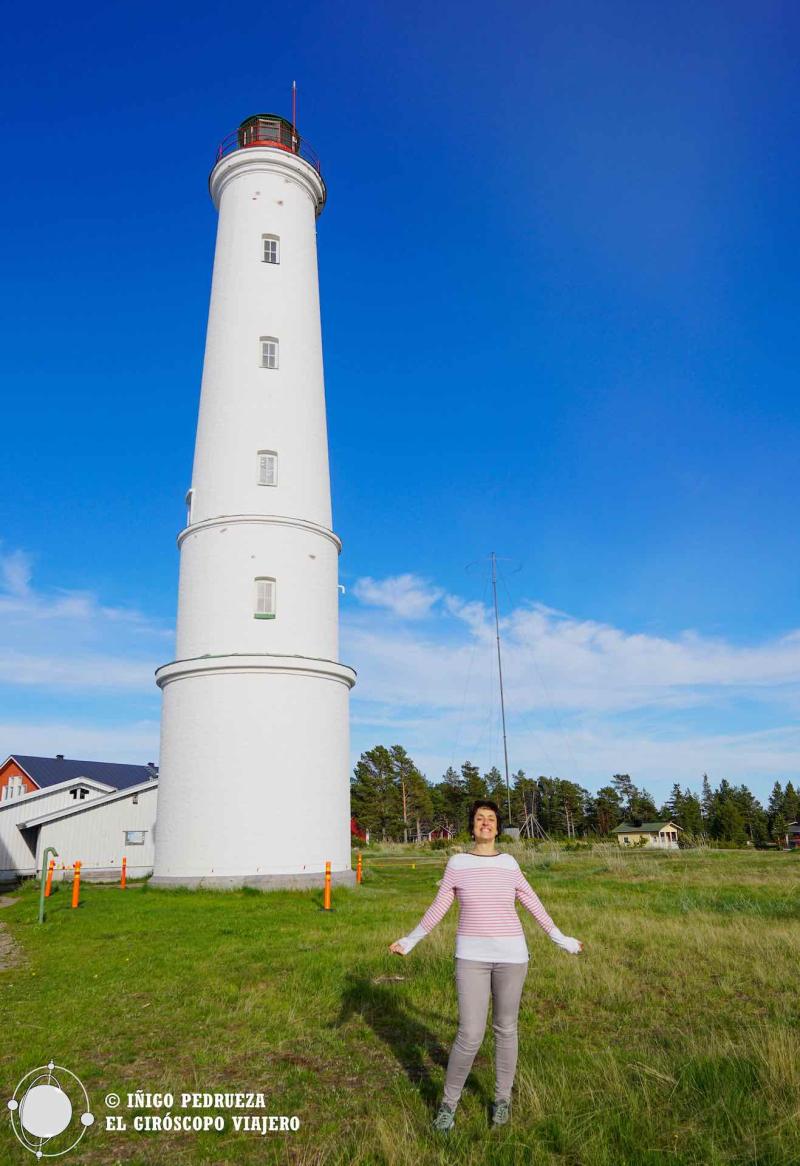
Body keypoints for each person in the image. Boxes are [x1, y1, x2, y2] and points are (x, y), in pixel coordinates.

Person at [388, 800, 584, 1132]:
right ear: (472, 826)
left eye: (491, 819)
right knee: (470, 1034)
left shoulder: (509, 863)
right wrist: (411, 940)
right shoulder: (457, 863)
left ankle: (502, 1100)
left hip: (512, 957)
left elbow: (532, 900)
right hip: (471, 958)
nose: (485, 823)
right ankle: (448, 1105)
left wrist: (559, 937)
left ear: (497, 827)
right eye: (480, 818)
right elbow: (440, 905)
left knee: (506, 1029)